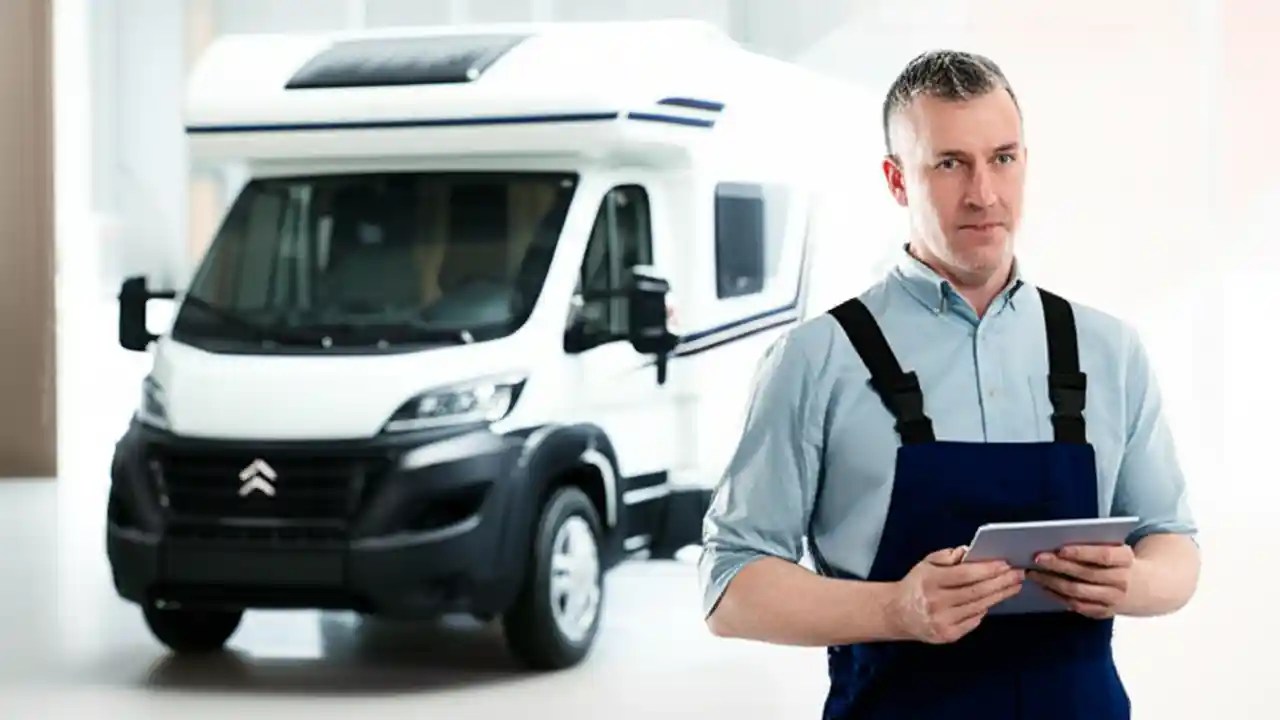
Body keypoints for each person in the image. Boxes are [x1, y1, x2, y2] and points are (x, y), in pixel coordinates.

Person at [697, 50, 1201, 719]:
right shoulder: (815, 360)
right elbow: (730, 586)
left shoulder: (1108, 350)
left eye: (1003, 158)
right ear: (896, 180)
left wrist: (1133, 581)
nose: (983, 193)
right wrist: (897, 608)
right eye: (949, 163)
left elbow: (1176, 547)